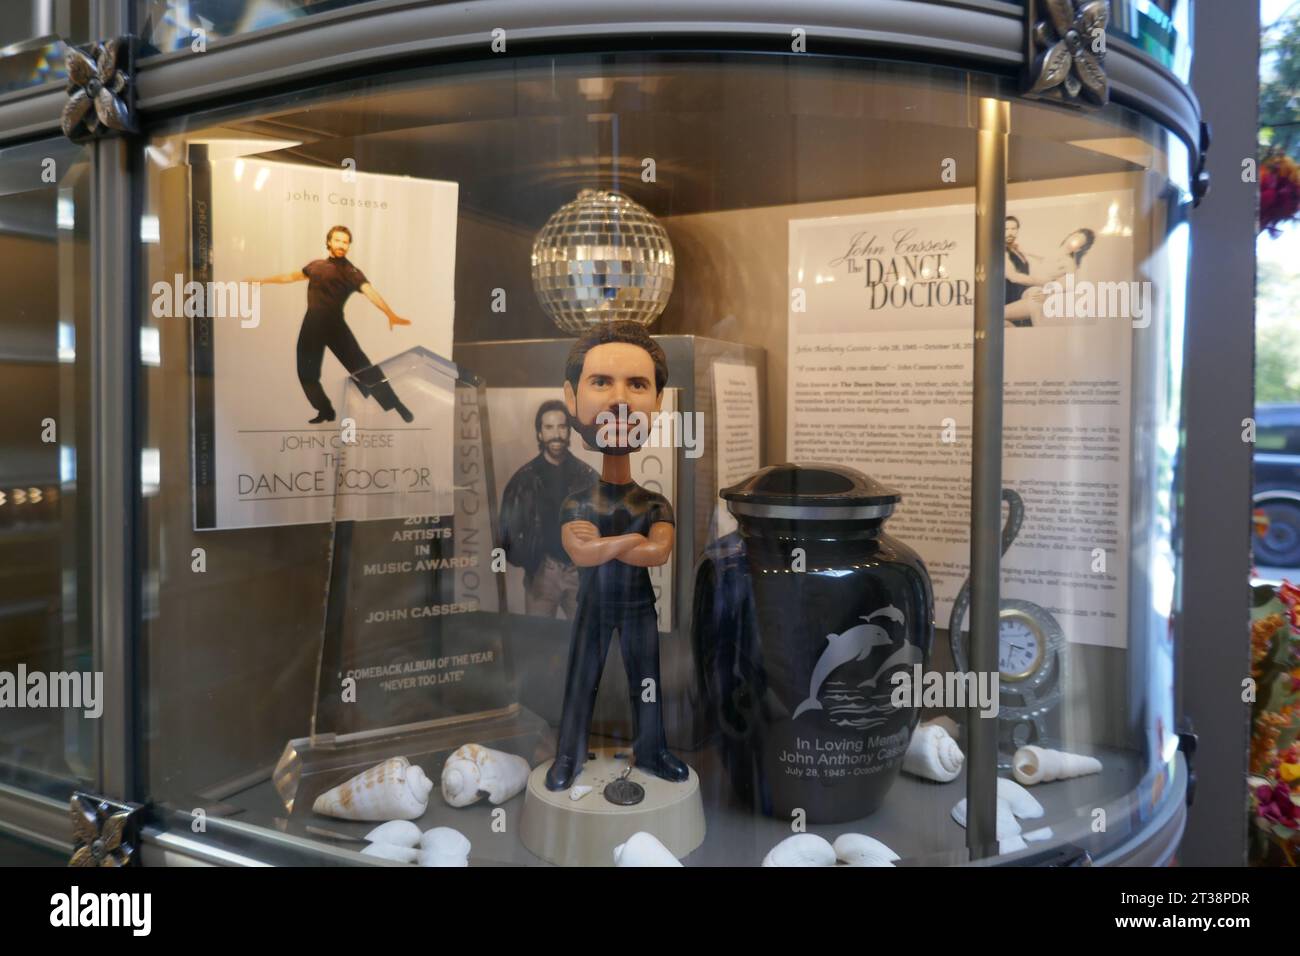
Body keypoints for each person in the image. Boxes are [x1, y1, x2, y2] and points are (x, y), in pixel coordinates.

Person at [544, 320, 689, 791]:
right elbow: (581, 555)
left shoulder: (652, 503)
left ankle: (653, 749)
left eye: (638, 384)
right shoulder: (577, 502)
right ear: (572, 397)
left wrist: (614, 545)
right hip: (592, 606)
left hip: (638, 609)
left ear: (659, 402)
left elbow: (658, 552)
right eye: (602, 381)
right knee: (579, 681)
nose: (620, 398)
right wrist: (630, 544)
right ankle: (567, 755)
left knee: (646, 681)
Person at [249, 225, 414, 423]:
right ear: (329, 242)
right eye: (337, 240)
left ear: (349, 246)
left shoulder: (352, 272)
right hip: (312, 325)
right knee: (306, 372)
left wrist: (390, 313)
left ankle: (396, 404)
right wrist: (263, 281)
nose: (341, 245)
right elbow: (290, 277)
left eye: (345, 242)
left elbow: (370, 291)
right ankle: (325, 411)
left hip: (335, 325)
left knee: (363, 367)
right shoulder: (316, 266)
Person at [498, 400, 598, 619]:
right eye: (549, 427)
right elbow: (504, 534)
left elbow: (607, 525)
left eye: (562, 427)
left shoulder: (587, 476)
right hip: (543, 572)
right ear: (540, 433)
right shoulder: (524, 479)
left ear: (569, 431)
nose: (556, 434)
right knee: (537, 640)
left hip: (579, 572)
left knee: (584, 642)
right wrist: (522, 561)